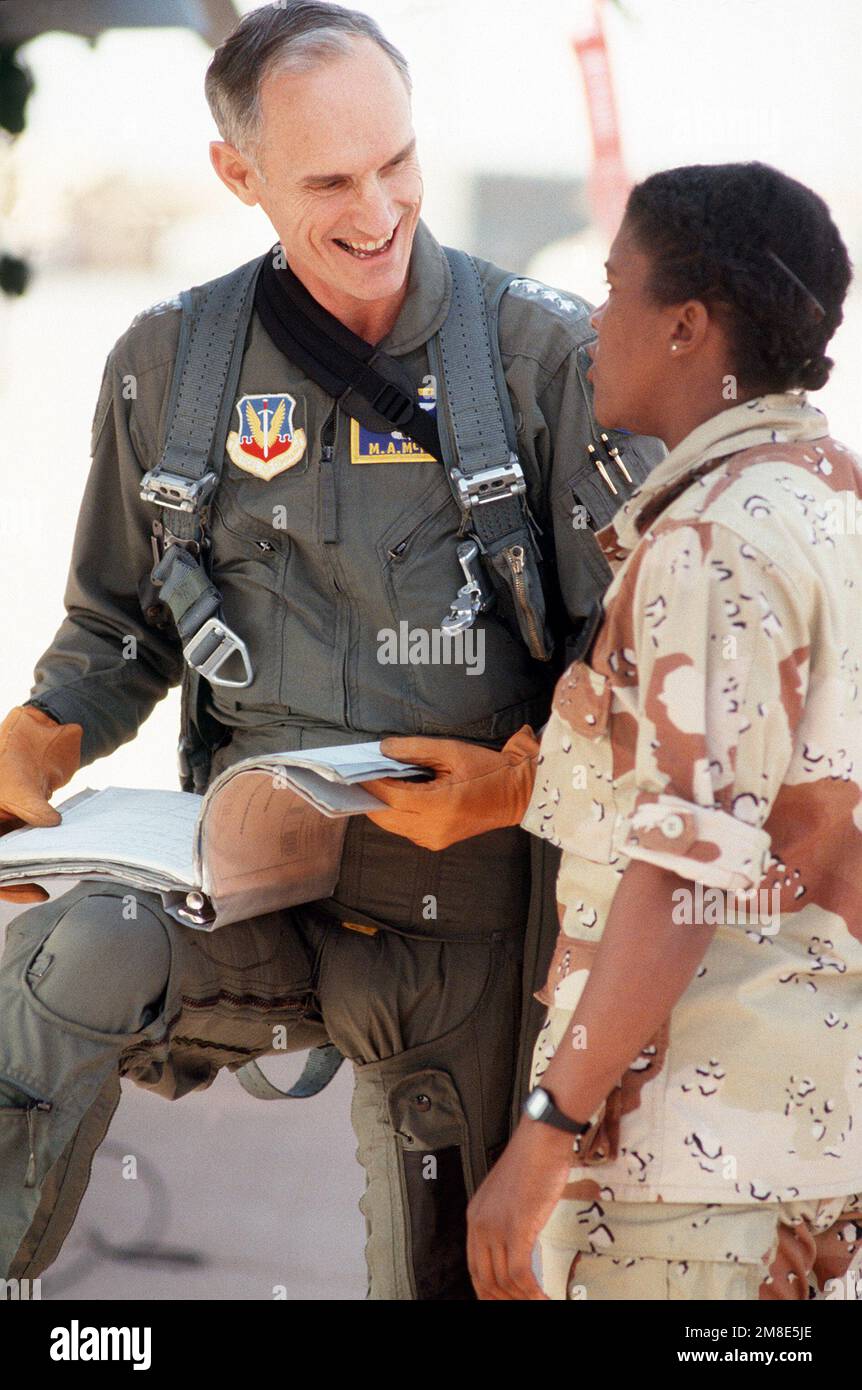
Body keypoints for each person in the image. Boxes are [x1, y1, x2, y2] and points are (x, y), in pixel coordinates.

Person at [0, 3, 661, 1299]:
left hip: (457, 907)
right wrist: (41, 732)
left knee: (440, 1265)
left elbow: (637, 645)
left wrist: (519, 782)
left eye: (397, 162)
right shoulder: (167, 366)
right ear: (235, 174)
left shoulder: (543, 356)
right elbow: (117, 626)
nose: (378, 208)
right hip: (238, 888)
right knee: (60, 957)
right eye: (329, 180)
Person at [450, 160, 860, 1300]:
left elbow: (687, 866)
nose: (593, 317)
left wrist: (546, 1129)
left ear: (685, 325)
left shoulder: (711, 539)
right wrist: (495, 793)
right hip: (812, 1148)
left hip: (689, 1176)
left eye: (612, 283)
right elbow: (791, 802)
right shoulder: (834, 499)